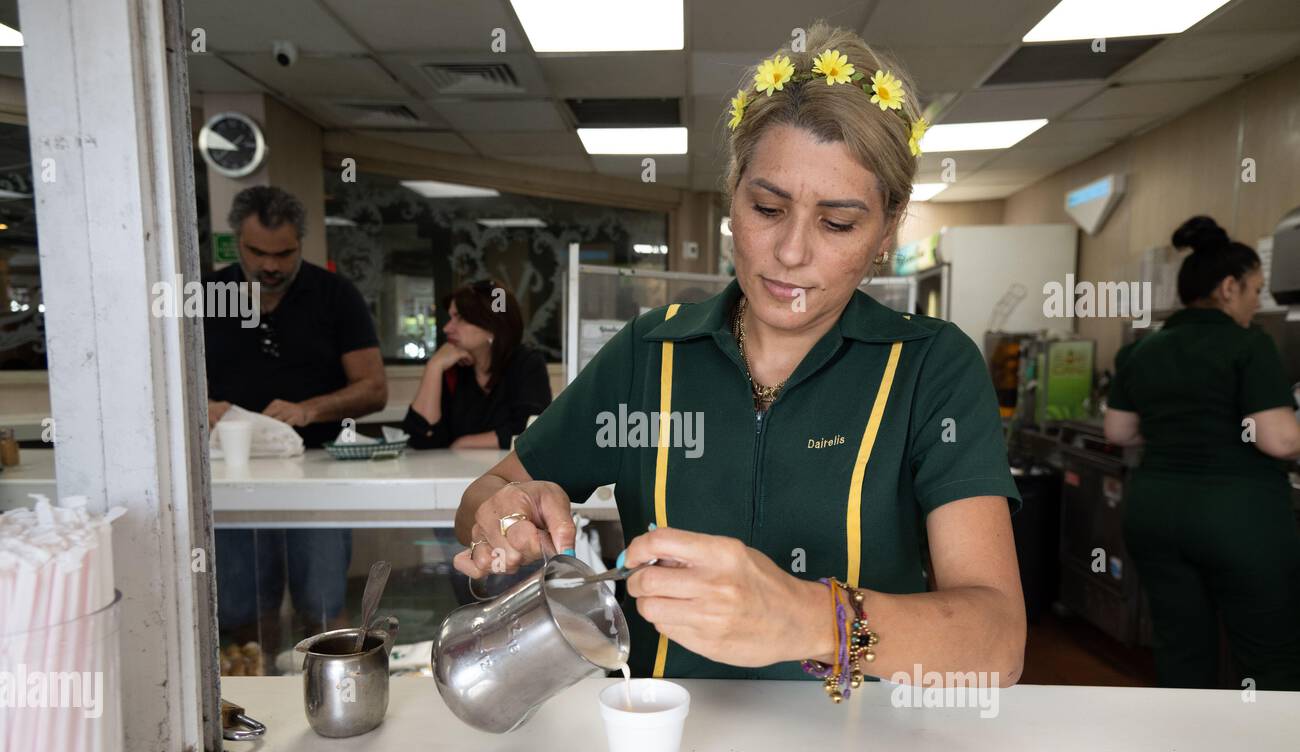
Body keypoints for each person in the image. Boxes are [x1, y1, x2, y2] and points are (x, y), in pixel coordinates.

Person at [447, 22, 1026, 693]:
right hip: (666, 741)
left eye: (838, 223)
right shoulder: (650, 353)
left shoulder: (931, 367)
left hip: (869, 751)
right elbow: (485, 495)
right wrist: (509, 518)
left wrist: (810, 619)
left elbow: (997, 644)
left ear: (887, 230)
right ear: (732, 195)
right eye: (767, 207)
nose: (791, 252)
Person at [1105, 215, 1300, 690]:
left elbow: (1119, 430)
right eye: (1255, 290)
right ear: (1230, 287)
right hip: (1239, 518)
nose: (1257, 302)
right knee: (1268, 654)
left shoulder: (1143, 349)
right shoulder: (1249, 345)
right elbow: (1279, 439)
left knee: (1181, 649)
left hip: (1155, 514)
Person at [204, 185, 387, 655]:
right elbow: (163, 381)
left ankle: (336, 694)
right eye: (257, 252)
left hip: (317, 474)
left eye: (284, 253)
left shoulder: (334, 295)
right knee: (241, 610)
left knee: (322, 604)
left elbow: (373, 388)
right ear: (236, 242)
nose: (270, 265)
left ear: (301, 244)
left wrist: (311, 409)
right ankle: (254, 700)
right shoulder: (210, 294)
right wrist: (198, 405)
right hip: (232, 476)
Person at [404, 280, 551, 449]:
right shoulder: (452, 368)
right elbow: (421, 438)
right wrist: (434, 367)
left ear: (491, 325)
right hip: (453, 474)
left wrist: (464, 443)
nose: (447, 328)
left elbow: (532, 431)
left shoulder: (527, 363)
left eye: (459, 318)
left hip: (508, 474)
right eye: (450, 317)